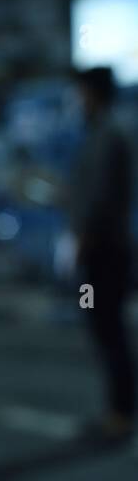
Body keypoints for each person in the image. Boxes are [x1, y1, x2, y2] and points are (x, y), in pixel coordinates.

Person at [68, 66, 134, 440]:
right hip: (101, 246)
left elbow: (102, 199)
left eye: (81, 93)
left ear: (94, 94)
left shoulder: (109, 135)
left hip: (104, 249)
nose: (78, 101)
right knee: (105, 328)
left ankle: (121, 413)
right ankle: (117, 409)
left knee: (109, 330)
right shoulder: (99, 134)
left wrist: (84, 239)